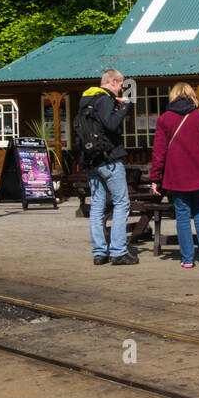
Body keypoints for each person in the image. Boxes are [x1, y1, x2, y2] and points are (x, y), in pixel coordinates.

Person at [149, 82, 199, 268]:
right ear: (191, 95)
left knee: (182, 215)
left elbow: (159, 151)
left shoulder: (164, 119)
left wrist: (155, 177)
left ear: (173, 96)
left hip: (176, 175)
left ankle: (188, 259)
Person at [79, 68, 135, 265]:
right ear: (113, 81)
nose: (120, 90)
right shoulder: (104, 99)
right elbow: (111, 125)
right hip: (109, 159)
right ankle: (118, 251)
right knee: (121, 203)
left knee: (97, 207)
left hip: (90, 159)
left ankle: (99, 252)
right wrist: (125, 107)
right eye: (120, 85)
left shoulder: (86, 100)